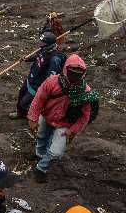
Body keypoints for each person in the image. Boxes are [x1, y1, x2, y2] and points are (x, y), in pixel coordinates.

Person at [28, 54, 97, 183]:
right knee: (41, 136)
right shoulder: (52, 82)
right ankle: (39, 154)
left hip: (65, 124)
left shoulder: (85, 92)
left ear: (84, 73)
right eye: (73, 69)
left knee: (56, 152)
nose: (75, 73)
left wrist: (73, 130)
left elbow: (85, 115)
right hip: (47, 115)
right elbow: (38, 100)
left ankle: (41, 168)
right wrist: (33, 118)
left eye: (79, 70)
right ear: (66, 68)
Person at [12, 31, 67, 120]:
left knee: (24, 104)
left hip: (37, 86)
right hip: (31, 79)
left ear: (49, 44)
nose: (40, 45)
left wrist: (43, 91)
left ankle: (31, 117)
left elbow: (50, 79)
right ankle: (20, 114)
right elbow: (39, 56)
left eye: (43, 43)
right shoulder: (45, 49)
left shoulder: (55, 60)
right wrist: (27, 59)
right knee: (21, 96)